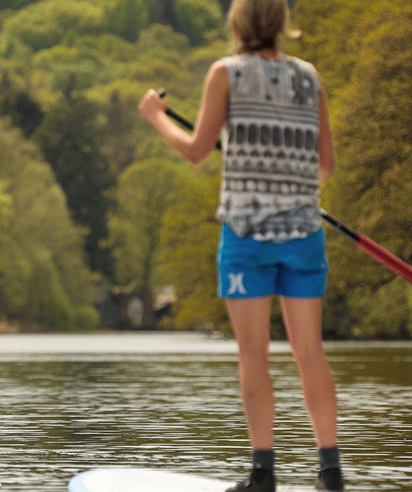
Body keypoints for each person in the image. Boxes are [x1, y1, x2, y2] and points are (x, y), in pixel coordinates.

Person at [138, 0, 343, 491]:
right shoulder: (309, 77)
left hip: (247, 238)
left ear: (239, 22)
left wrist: (156, 116)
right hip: (303, 234)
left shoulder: (225, 72)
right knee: (309, 351)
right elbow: (326, 165)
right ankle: (331, 473)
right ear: (282, 24)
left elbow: (195, 150)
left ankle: (263, 474)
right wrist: (291, 188)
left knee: (254, 354)